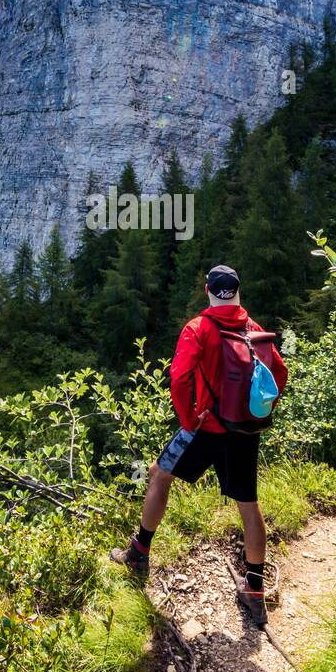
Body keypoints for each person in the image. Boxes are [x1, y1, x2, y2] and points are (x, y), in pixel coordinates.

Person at [111, 264, 288, 625]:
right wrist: (252, 412)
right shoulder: (253, 330)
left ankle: (138, 552)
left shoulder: (199, 328)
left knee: (160, 474)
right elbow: (279, 376)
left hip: (206, 425)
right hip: (244, 430)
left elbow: (179, 377)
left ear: (208, 289)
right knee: (248, 505)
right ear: (237, 291)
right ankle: (254, 590)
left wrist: (190, 418)